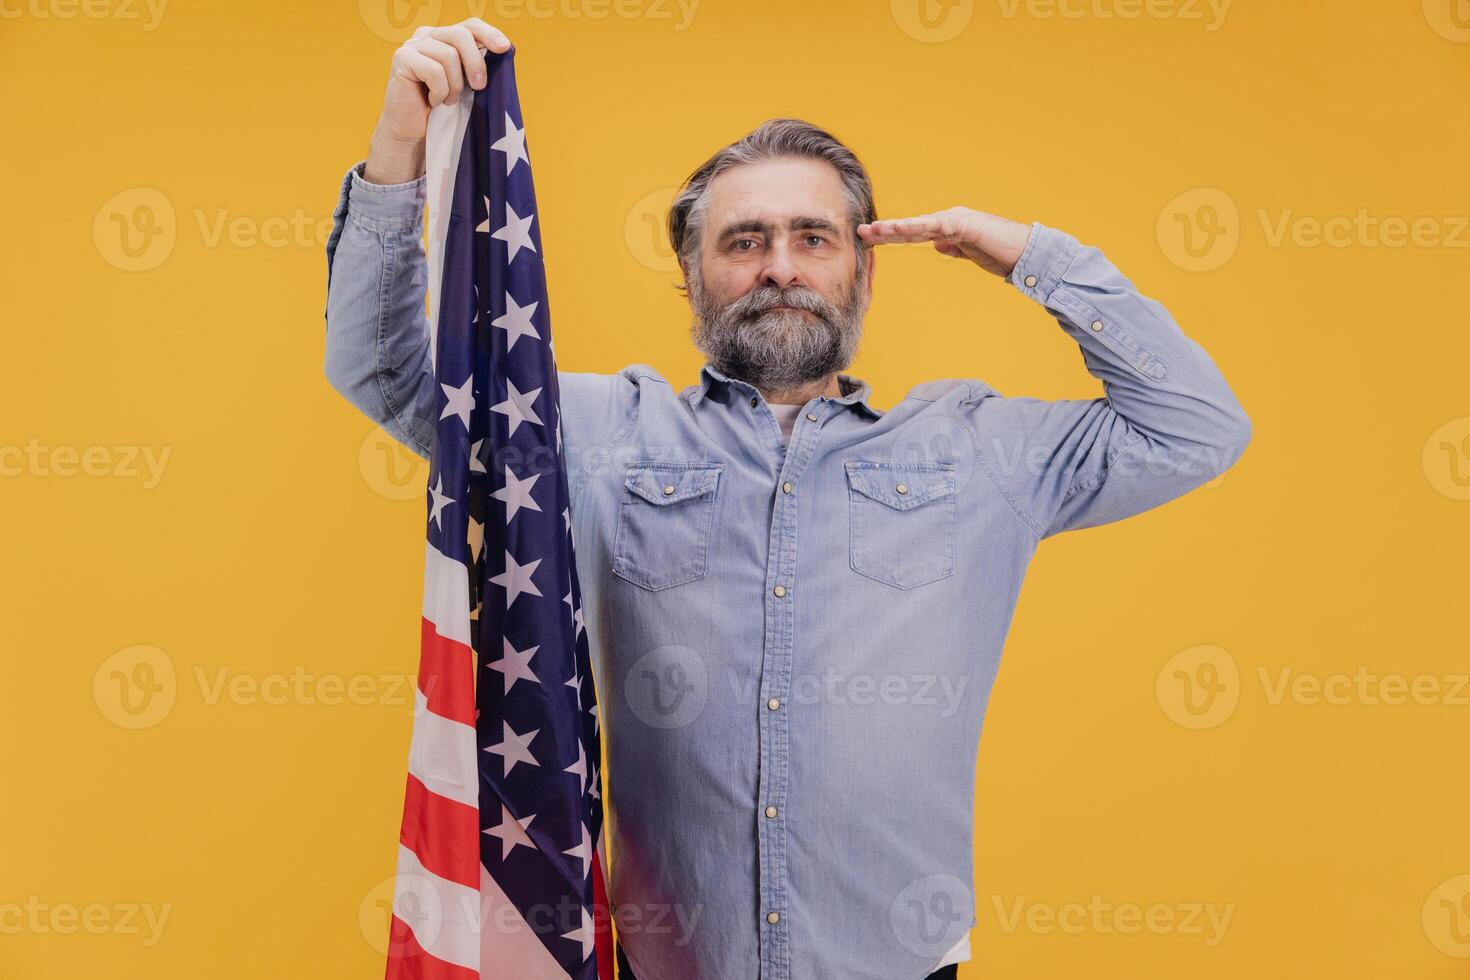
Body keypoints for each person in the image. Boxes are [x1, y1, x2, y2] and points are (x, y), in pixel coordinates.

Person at [323, 20, 1251, 980]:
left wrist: (1029, 255)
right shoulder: (595, 434)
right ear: (691, 275)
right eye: (744, 241)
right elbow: (386, 370)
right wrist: (399, 152)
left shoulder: (980, 449)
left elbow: (1195, 429)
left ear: (863, 267)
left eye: (815, 238)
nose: (781, 267)